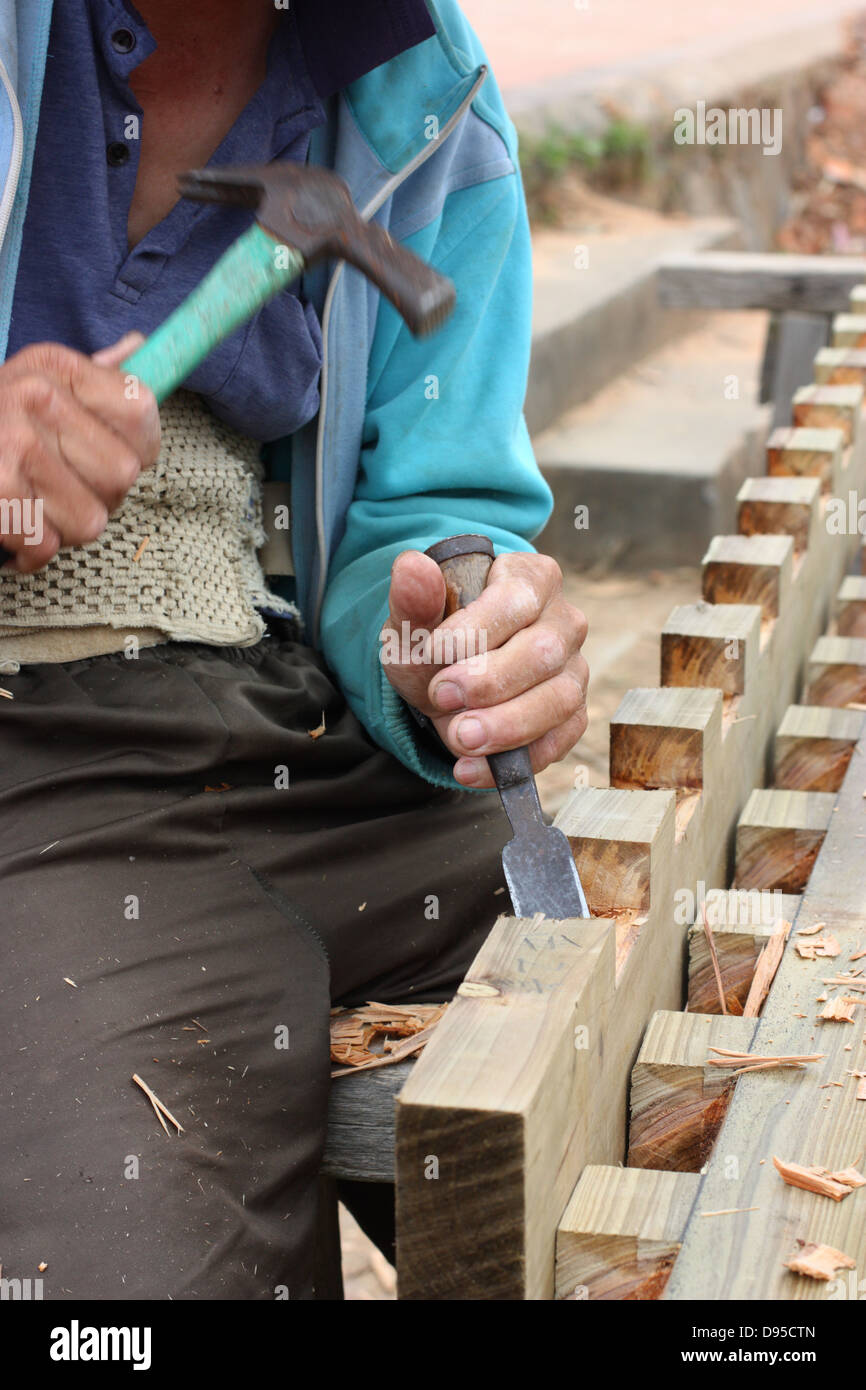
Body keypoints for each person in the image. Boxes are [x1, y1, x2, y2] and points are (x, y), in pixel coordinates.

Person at [0, 0, 588, 1299]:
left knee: (638, 1118)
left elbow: (427, 499)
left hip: (295, 729)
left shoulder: (419, 83)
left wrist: (451, 630)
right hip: (39, 749)